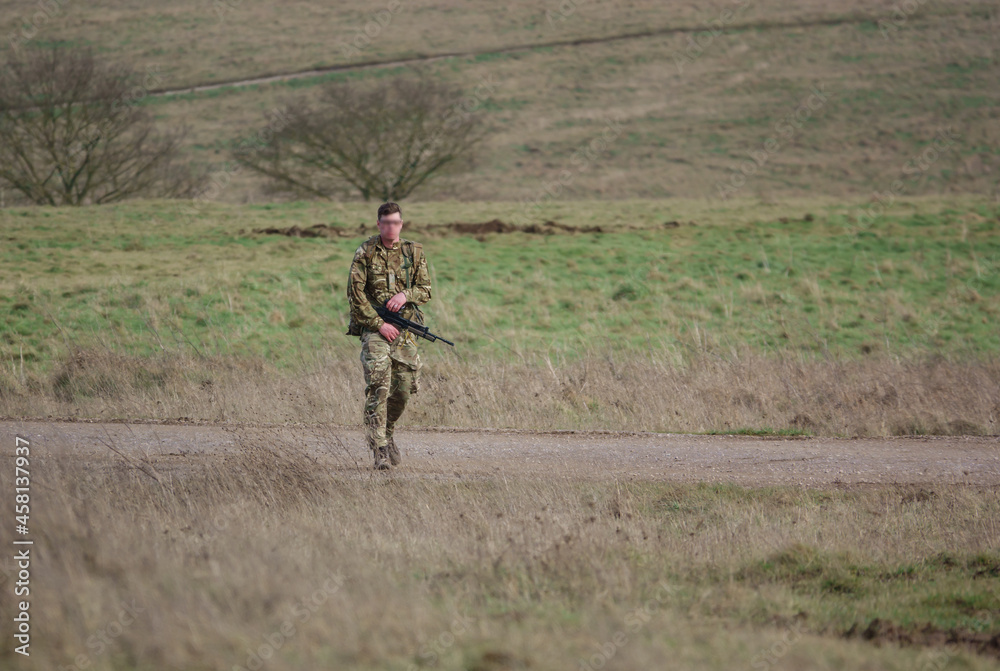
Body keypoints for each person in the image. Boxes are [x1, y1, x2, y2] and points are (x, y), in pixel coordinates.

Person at [346, 202, 432, 470]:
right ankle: (379, 448)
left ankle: (388, 432)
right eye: (386, 222)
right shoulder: (366, 252)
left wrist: (405, 294)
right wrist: (378, 324)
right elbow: (355, 296)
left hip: (405, 328)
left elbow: (426, 290)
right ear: (378, 224)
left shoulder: (413, 251)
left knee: (403, 390)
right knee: (379, 387)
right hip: (374, 329)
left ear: (401, 224)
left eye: (395, 222)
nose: (390, 227)